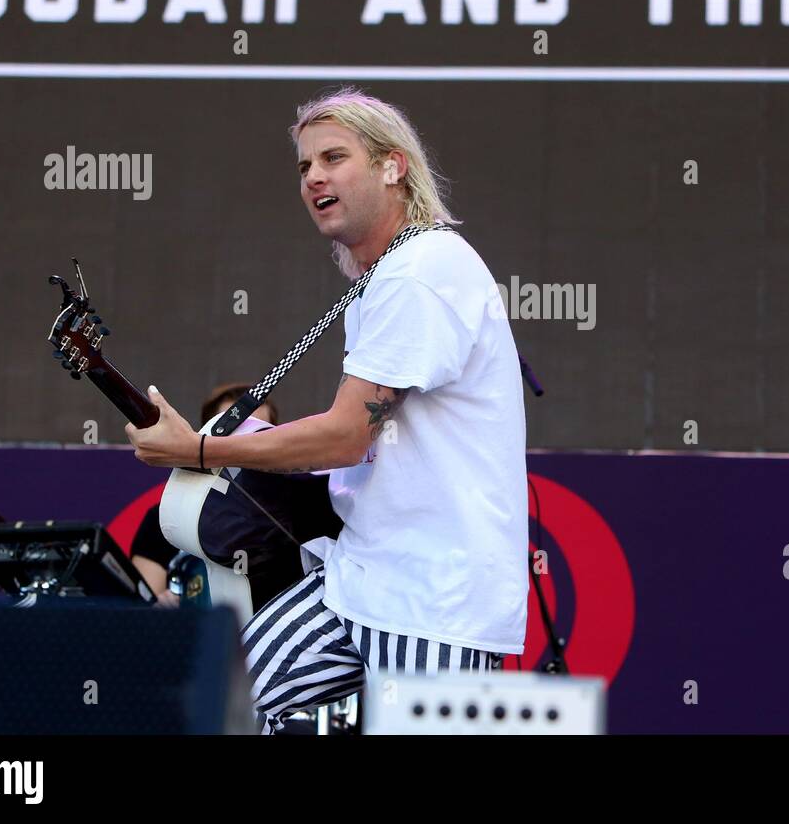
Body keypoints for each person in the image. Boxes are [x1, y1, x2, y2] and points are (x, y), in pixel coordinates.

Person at [125, 86, 528, 733]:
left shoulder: (421, 271)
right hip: (363, 576)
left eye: (334, 157)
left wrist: (198, 450)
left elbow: (346, 436)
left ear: (393, 166)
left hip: (432, 599)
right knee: (217, 698)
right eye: (305, 165)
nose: (314, 176)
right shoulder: (383, 280)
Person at [129, 385, 278, 605]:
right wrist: (163, 607)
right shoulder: (163, 518)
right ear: (204, 438)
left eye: (259, 433)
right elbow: (143, 606)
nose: (246, 446)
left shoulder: (293, 519)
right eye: (233, 433)